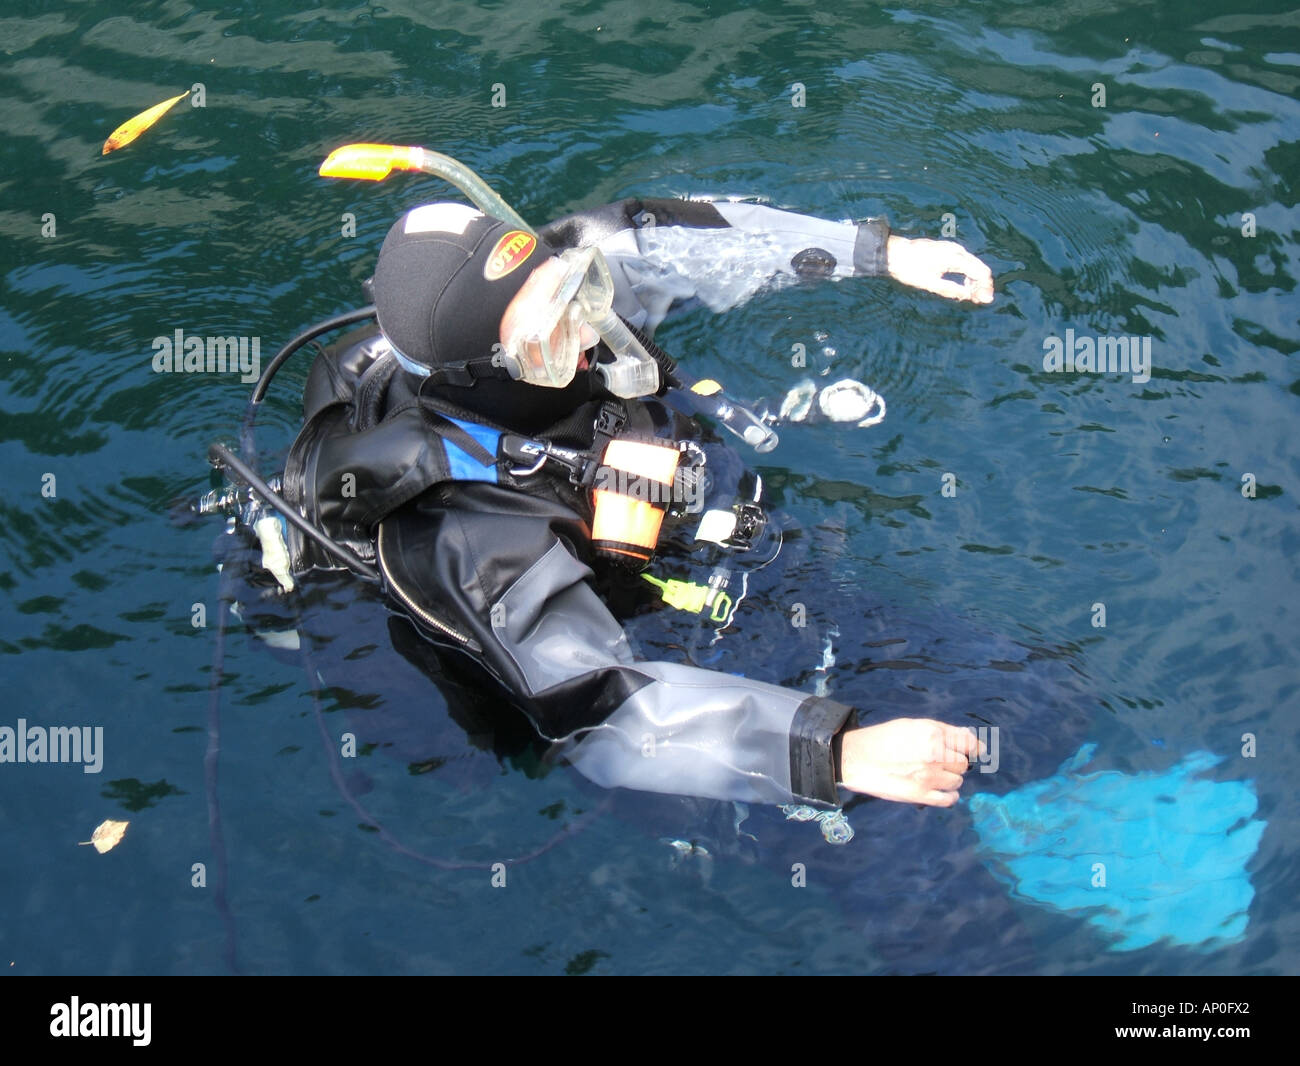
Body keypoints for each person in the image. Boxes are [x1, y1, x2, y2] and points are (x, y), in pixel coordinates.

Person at [254, 191, 997, 813]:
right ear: (480, 371)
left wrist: (876, 252)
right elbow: (597, 714)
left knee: (1018, 705)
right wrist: (830, 755)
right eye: (554, 334)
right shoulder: (463, 535)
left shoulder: (545, 295)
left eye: (580, 291)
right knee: (922, 860)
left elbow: (675, 239)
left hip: (717, 567)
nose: (589, 333)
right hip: (655, 658)